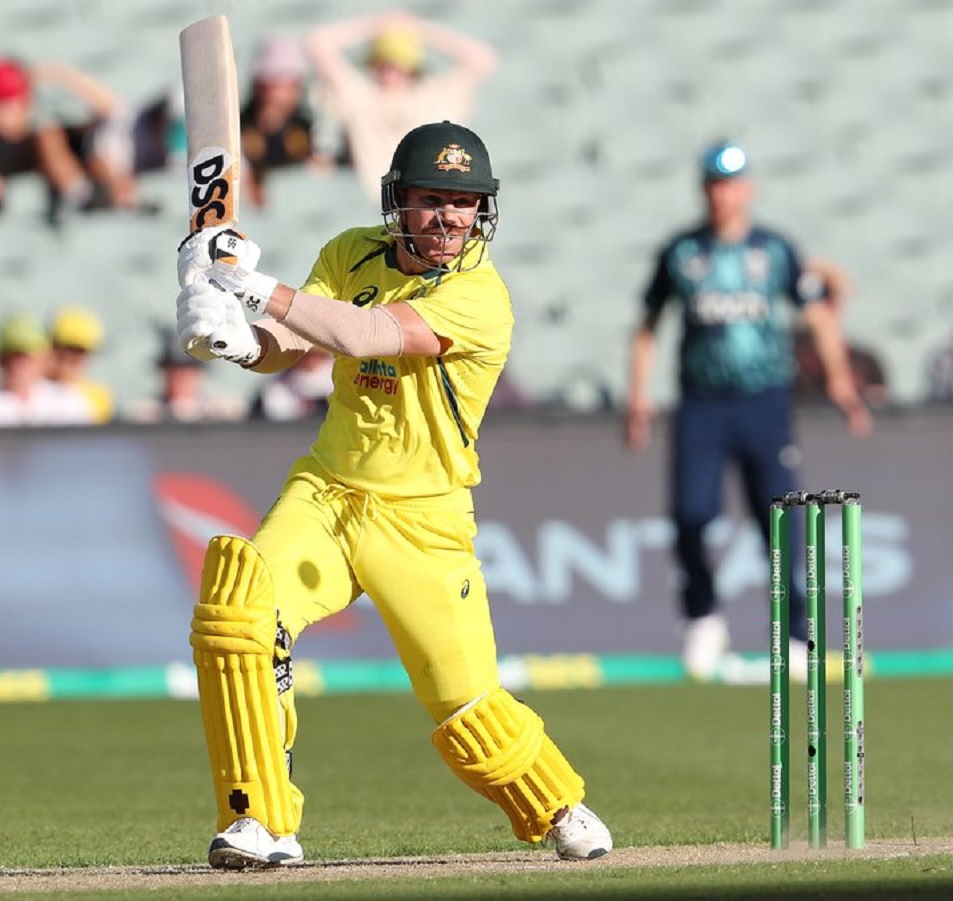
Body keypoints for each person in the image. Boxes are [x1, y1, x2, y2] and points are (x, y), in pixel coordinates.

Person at [173, 120, 612, 868]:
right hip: (327, 492)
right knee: (236, 617)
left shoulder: (478, 294)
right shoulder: (352, 252)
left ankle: (556, 803)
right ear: (398, 202)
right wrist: (239, 341)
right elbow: (297, 342)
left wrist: (251, 285)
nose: (449, 218)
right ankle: (260, 820)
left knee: (466, 706)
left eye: (464, 203)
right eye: (433, 200)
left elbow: (365, 335)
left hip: (423, 518)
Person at [624, 139, 872, 682]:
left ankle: (797, 634)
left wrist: (839, 382)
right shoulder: (681, 253)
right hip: (702, 404)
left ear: (748, 189)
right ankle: (702, 617)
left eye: (731, 185)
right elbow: (647, 327)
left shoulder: (775, 250)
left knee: (780, 520)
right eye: (714, 185)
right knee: (691, 514)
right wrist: (638, 396)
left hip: (764, 402)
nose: (722, 196)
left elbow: (817, 316)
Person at [306, 9, 498, 203]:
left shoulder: (433, 97)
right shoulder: (361, 97)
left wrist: (419, 29)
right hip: (382, 199)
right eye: (384, 63)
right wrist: (376, 26)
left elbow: (482, 59)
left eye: (395, 63)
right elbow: (318, 43)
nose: (389, 71)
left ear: (412, 67)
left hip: (429, 195)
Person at [0, 57, 97, 220]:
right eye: (5, 103)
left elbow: (112, 109)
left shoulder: (51, 127)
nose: (15, 107)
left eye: (18, 100)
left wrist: (62, 75)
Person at [240, 35, 330, 210]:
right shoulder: (240, 128)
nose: (273, 92)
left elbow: (320, 171)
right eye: (268, 84)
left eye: (281, 84)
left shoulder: (307, 127)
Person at [791, 258, 889, 408]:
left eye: (833, 297)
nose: (830, 305)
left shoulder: (865, 361)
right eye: (824, 297)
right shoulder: (784, 355)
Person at [0, 311, 94, 426]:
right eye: (11, 356)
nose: (18, 365)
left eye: (27, 356)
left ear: (43, 359)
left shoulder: (67, 402)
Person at [123, 325, 246, 424]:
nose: (180, 375)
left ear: (199, 371)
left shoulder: (223, 414)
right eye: (174, 368)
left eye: (188, 367)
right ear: (164, 372)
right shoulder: (145, 417)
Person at [46, 305, 113, 424]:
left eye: (79, 351)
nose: (70, 357)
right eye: (66, 348)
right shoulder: (31, 392)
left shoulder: (98, 399)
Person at [248, 344, 332, 421]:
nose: (310, 360)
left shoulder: (334, 377)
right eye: (304, 355)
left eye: (314, 354)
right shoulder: (274, 387)